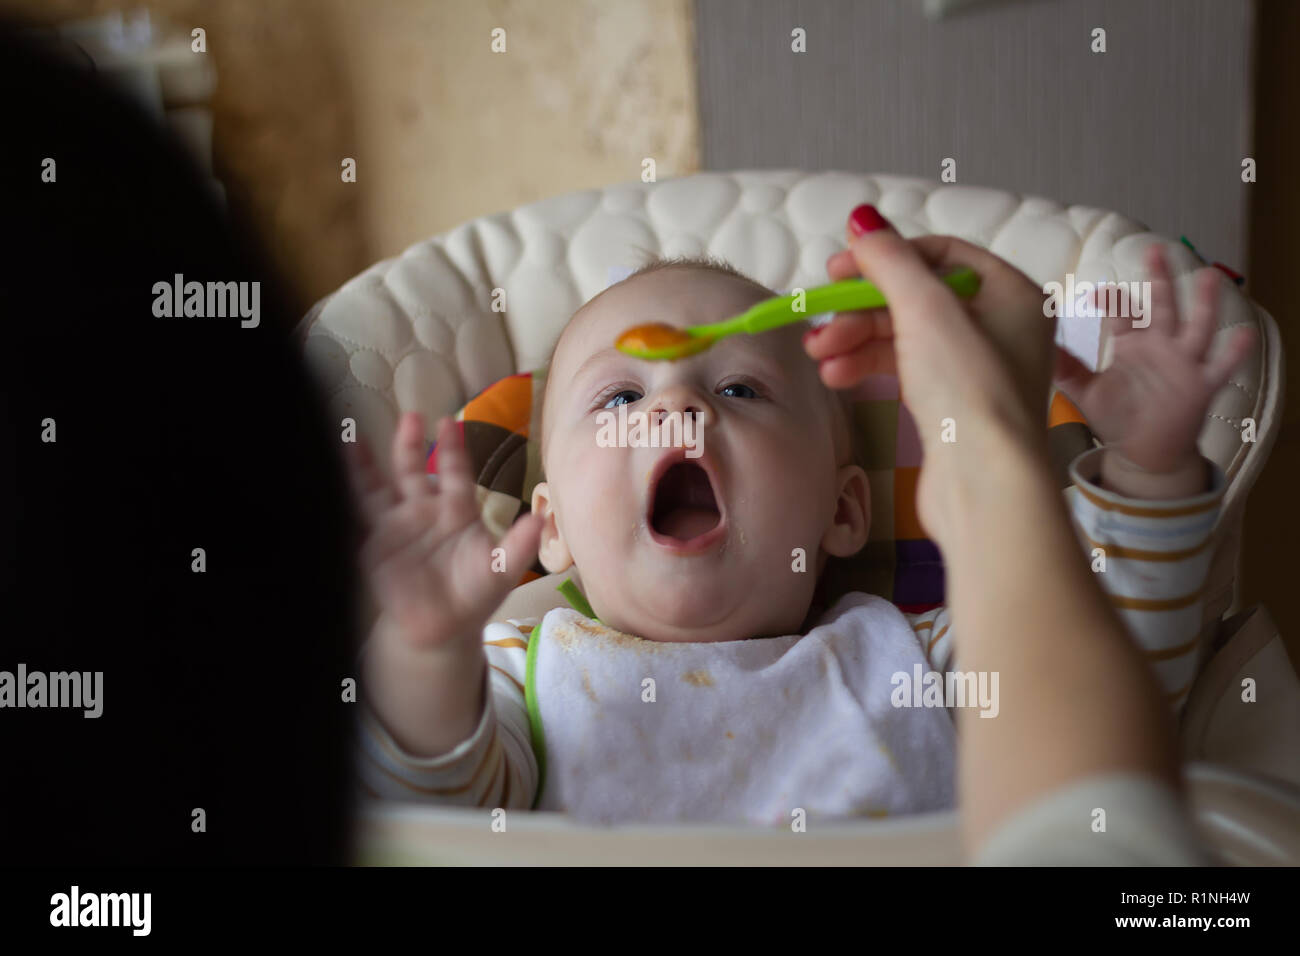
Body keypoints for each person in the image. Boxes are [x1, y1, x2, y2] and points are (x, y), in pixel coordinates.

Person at [350, 192, 1251, 858]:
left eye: (739, 389)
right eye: (621, 394)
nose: (678, 408)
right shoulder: (520, 668)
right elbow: (434, 811)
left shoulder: (920, 656)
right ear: (552, 532)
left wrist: (1149, 468)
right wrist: (425, 649)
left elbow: (1110, 684)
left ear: (845, 510)